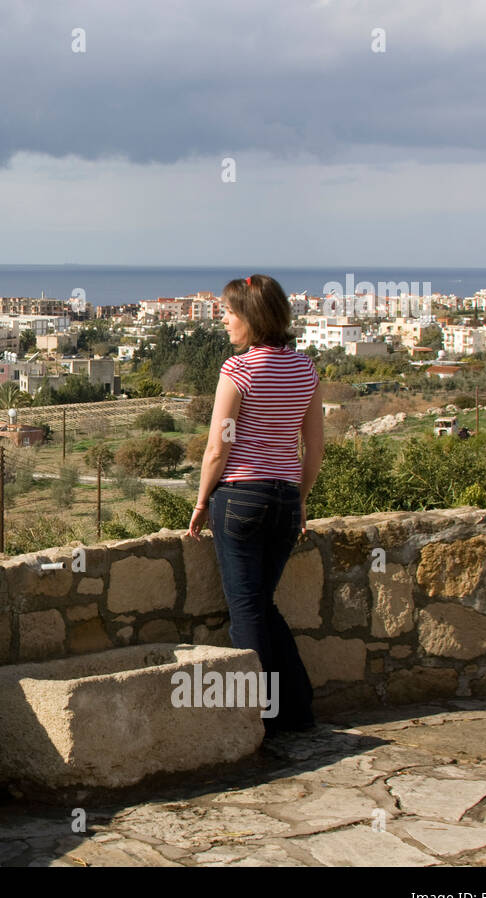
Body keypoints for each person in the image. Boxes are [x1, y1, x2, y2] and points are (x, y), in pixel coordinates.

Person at [186, 274, 323, 736]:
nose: (224, 321)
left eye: (229, 313)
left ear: (252, 318)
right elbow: (314, 449)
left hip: (240, 498)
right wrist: (299, 500)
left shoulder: (237, 371)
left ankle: (257, 720)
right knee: (261, 604)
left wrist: (202, 501)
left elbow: (217, 449)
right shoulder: (306, 370)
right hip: (284, 500)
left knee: (246, 611)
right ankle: (297, 710)